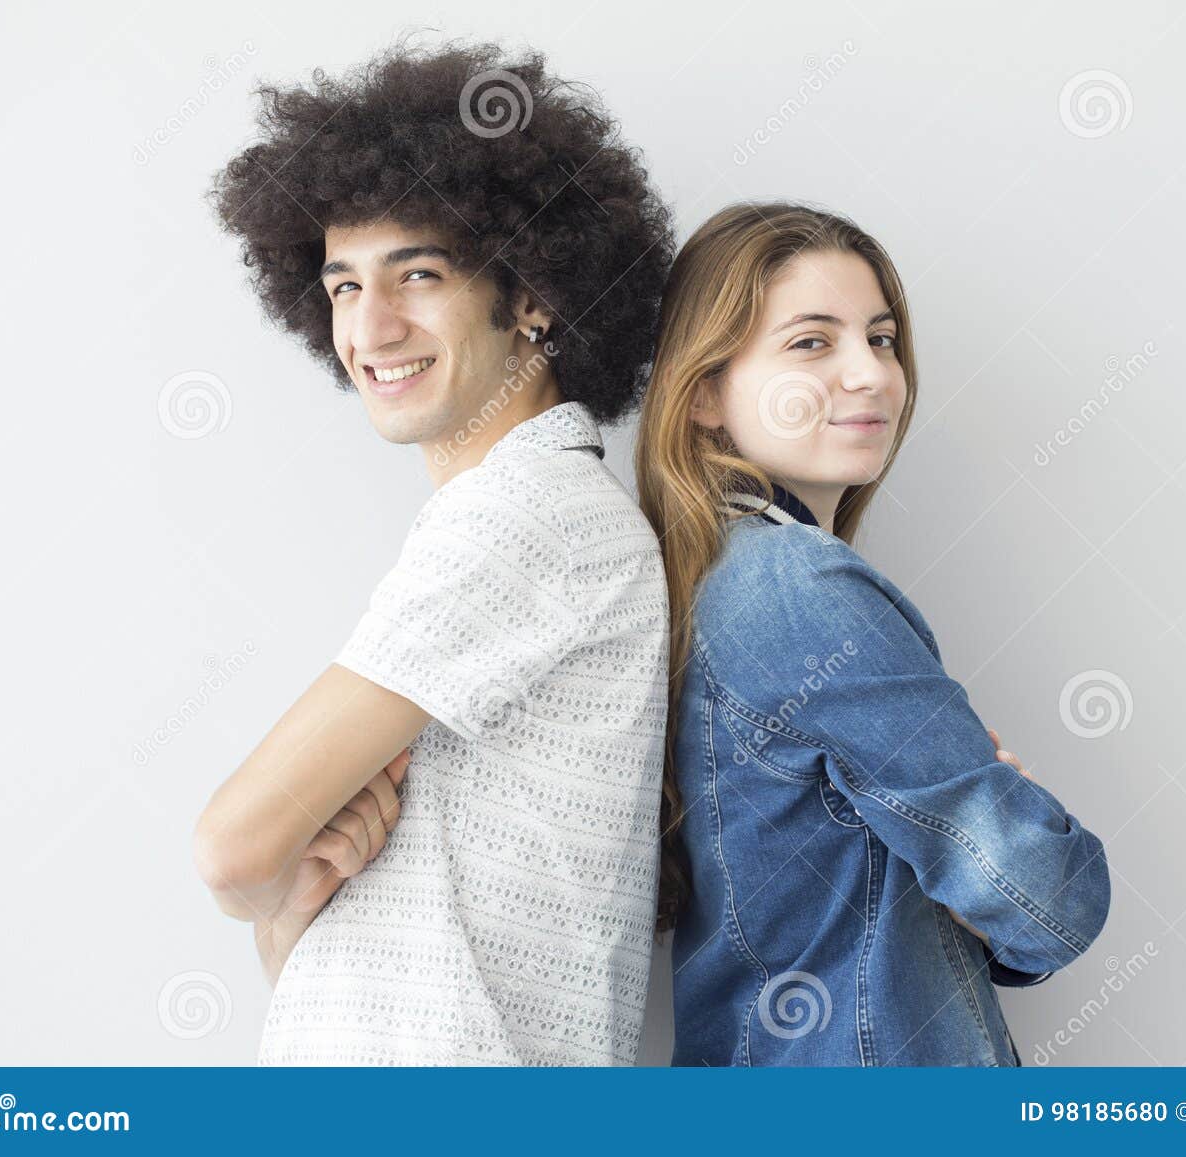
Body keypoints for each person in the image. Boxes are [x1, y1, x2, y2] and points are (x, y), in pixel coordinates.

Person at [192, 39, 675, 1066]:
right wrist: (289, 919)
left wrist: (262, 890)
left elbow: (231, 849)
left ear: (535, 294)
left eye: (418, 273)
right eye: (340, 286)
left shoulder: (522, 514)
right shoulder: (523, 509)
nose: (370, 326)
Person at [634, 201, 1111, 1066]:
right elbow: (1049, 900)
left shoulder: (718, 578)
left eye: (882, 339)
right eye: (812, 343)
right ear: (704, 391)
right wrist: (1004, 848)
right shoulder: (797, 586)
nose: (872, 375)